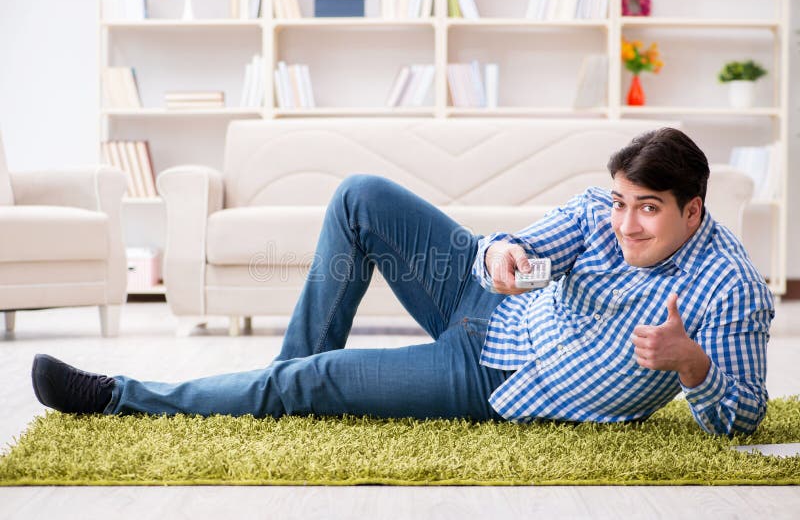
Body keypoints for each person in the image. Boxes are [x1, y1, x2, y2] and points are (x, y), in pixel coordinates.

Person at [31, 127, 773, 436]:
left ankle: (120, 396)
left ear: (693, 209)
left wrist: (690, 364)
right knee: (361, 196)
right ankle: (277, 389)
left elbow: (741, 420)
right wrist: (502, 254)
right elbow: (525, 241)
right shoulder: (602, 213)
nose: (626, 224)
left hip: (495, 377)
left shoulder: (729, 288)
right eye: (620, 203)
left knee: (313, 381)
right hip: (487, 304)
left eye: (648, 209)